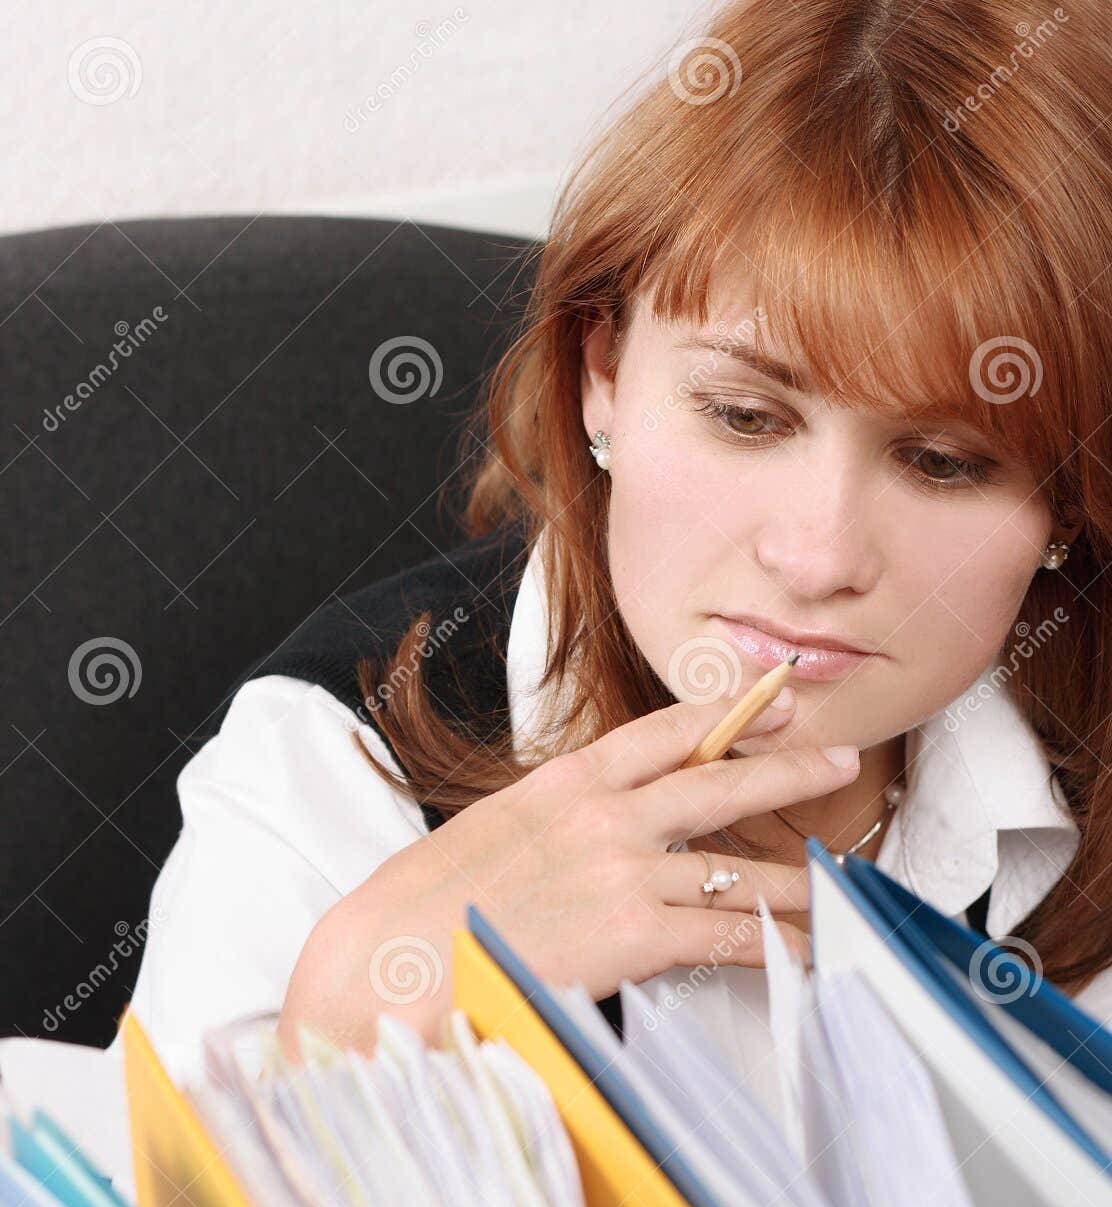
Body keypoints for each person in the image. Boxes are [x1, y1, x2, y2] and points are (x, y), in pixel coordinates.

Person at [113, 0, 1112, 1101]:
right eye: (743, 417)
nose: (816, 557)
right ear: (603, 375)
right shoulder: (332, 773)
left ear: (1069, 494)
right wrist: (344, 1021)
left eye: (941, 462)